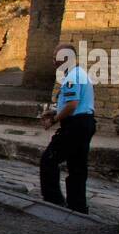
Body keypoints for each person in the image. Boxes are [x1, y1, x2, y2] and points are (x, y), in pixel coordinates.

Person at [39, 43, 97, 213]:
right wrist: (55, 110)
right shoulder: (79, 74)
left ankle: (53, 199)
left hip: (75, 126)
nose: (53, 62)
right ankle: (78, 205)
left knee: (49, 159)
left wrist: (54, 120)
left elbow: (72, 105)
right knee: (77, 166)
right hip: (85, 122)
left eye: (55, 58)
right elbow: (75, 104)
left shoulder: (72, 77)